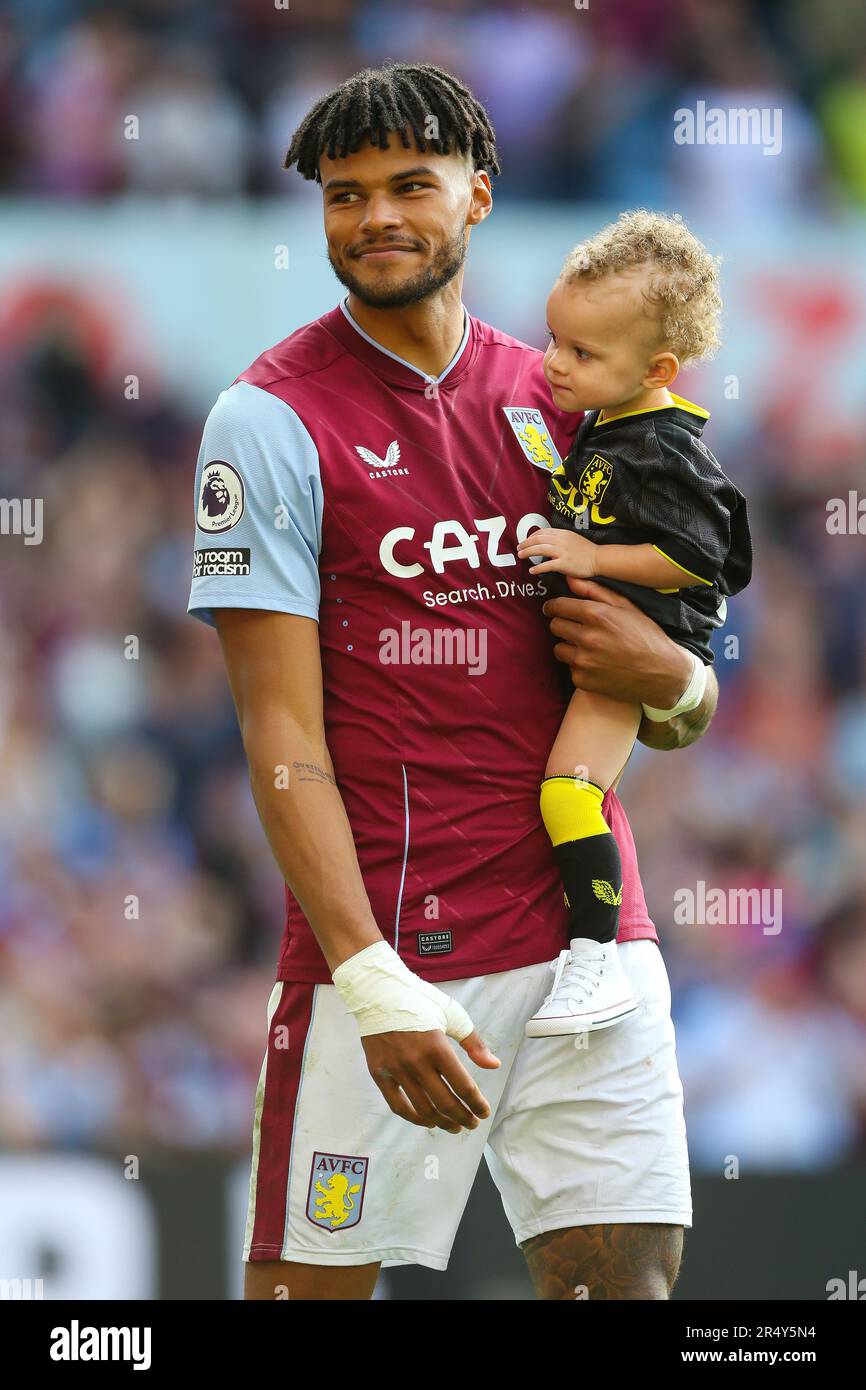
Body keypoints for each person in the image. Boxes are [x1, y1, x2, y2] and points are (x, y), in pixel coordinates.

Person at [187, 62, 717, 1301]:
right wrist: (367, 977)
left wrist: (683, 687)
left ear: (476, 196)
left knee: (622, 1283)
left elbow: (661, 660)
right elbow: (277, 729)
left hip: (585, 938)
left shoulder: (564, 402)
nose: (373, 216)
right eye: (343, 193)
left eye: (408, 185)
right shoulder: (265, 421)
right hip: (389, 944)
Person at [517, 210, 752, 1036]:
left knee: (569, 792)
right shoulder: (607, 424)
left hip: (633, 639)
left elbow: (700, 562)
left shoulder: (666, 449)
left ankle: (594, 957)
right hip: (603, 627)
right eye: (553, 340)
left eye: (582, 354)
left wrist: (588, 558)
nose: (555, 364)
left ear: (656, 367)